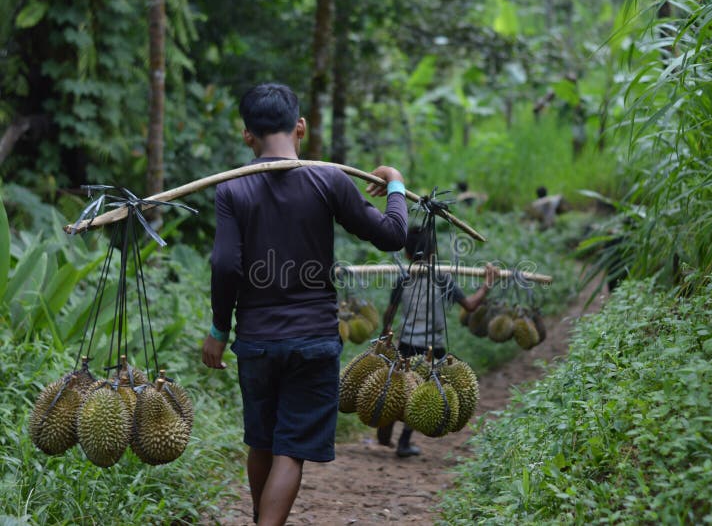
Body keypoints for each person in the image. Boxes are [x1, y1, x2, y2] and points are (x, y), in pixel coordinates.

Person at [201, 82, 408, 526]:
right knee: (290, 450)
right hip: (313, 339)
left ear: (247, 135)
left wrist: (220, 329)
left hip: (256, 341)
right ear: (301, 127)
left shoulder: (231, 190)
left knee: (261, 442)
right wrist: (396, 185)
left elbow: (224, 265)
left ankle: (262, 518)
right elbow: (393, 235)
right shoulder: (328, 179)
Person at [377, 225, 498, 457]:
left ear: (407, 254)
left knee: (399, 387)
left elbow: (390, 312)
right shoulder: (441, 277)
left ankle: (386, 428)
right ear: (433, 252)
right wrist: (487, 285)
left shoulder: (404, 277)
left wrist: (386, 334)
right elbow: (471, 305)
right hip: (434, 346)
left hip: (406, 343)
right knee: (421, 393)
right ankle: (403, 442)